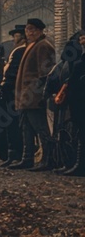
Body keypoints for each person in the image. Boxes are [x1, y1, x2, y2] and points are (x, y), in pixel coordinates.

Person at [11, 17, 57, 171]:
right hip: (25, 96)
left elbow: (44, 73)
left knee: (40, 128)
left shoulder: (43, 46)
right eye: (27, 29)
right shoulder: (33, 45)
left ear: (39, 31)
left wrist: (38, 94)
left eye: (32, 29)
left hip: (33, 97)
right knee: (26, 128)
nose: (29, 32)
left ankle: (48, 159)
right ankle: (27, 158)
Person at [0, 25, 27, 167]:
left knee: (13, 123)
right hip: (16, 92)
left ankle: (15, 153)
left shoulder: (20, 51)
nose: (14, 38)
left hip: (13, 92)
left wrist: (5, 85)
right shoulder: (21, 50)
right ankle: (15, 153)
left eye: (15, 35)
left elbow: (12, 73)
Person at [59, 31, 85, 176]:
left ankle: (79, 165)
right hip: (77, 101)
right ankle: (77, 163)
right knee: (79, 134)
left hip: (79, 100)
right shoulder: (79, 60)